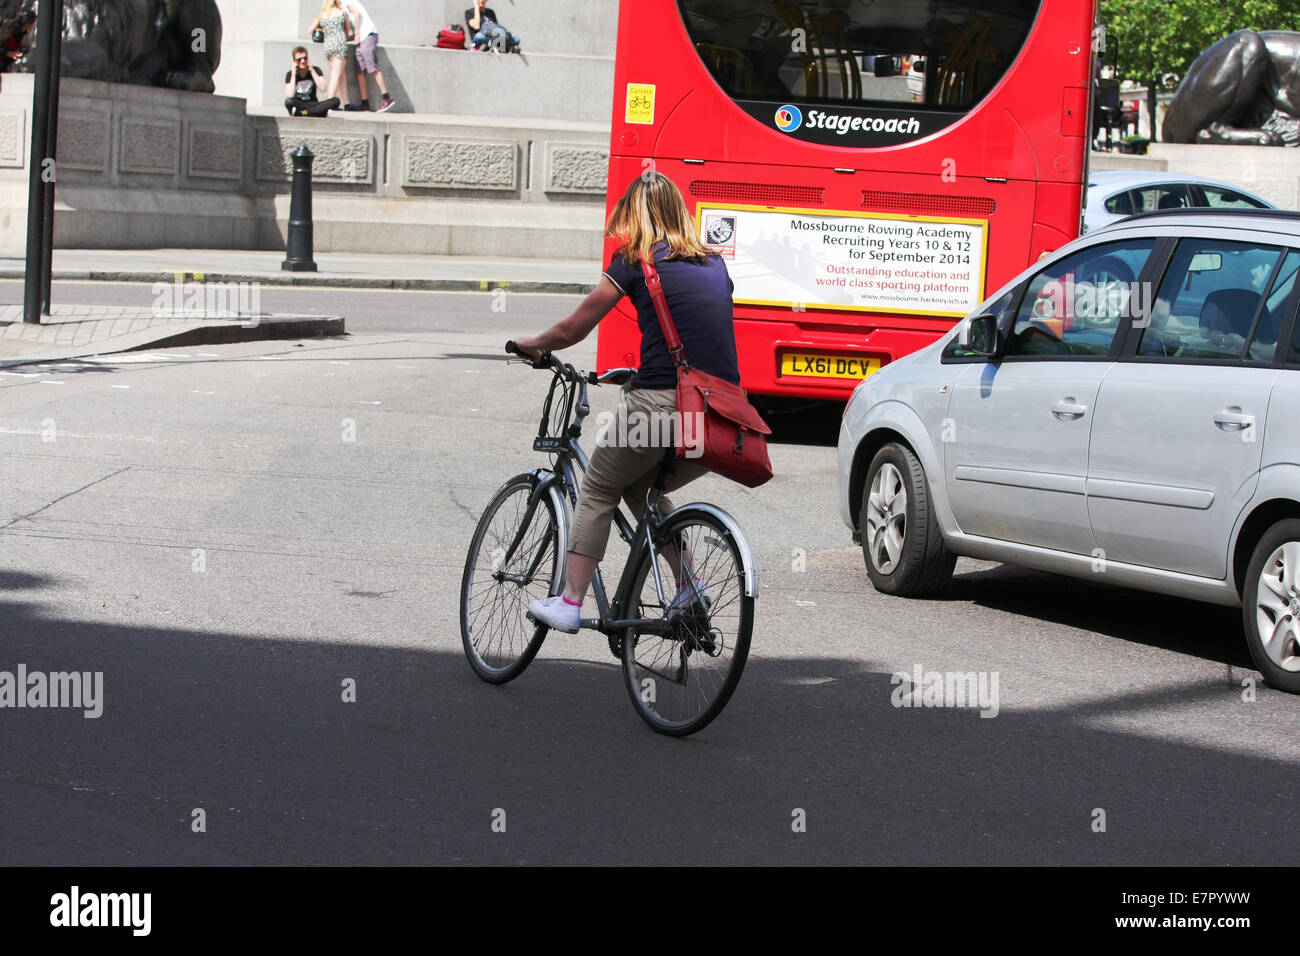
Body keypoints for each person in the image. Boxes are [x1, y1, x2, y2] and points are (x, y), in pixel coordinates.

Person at [514, 172, 740, 633]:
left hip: (660, 409)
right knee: (640, 488)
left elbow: (573, 329)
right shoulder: (714, 264)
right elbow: (696, 334)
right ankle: (688, 586)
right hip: (718, 417)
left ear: (636, 217)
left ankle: (570, 603)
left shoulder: (635, 260)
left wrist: (534, 344)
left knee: (598, 488)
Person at [342, 1, 396, 112]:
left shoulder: (346, 1)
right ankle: (365, 103)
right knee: (360, 71)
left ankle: (387, 98)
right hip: (361, 39)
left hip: (367, 35)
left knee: (372, 67)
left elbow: (357, 13)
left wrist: (356, 33)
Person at [310, 0, 353, 102]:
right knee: (335, 76)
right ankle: (329, 102)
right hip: (340, 45)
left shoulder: (323, 14)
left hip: (328, 46)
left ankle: (346, 102)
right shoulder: (342, 12)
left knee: (341, 74)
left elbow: (310, 30)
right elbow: (348, 31)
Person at [284, 47, 339, 117]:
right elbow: (290, 95)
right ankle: (319, 112)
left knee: (336, 101)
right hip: (299, 104)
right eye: (299, 59)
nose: (303, 61)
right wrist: (293, 75)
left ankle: (304, 113)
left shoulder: (316, 70)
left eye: (305, 58)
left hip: (313, 103)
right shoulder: (290, 74)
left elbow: (323, 88)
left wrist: (312, 71)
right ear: (294, 61)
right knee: (288, 102)